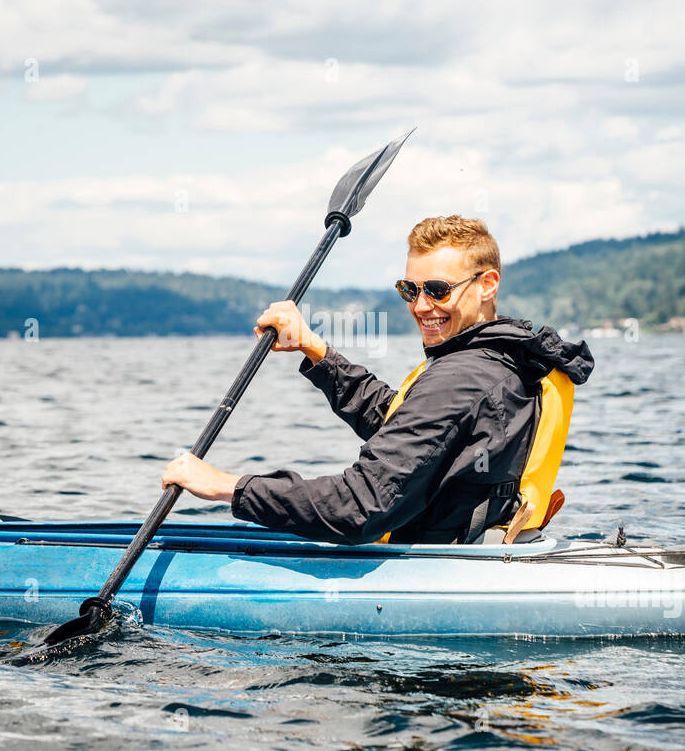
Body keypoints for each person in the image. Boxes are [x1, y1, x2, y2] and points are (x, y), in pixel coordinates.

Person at [162, 215, 594, 544]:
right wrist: (315, 350)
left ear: (487, 285)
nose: (422, 305)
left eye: (438, 290)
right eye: (411, 290)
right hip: (501, 549)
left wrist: (228, 486)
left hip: (444, 575)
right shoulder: (513, 356)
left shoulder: (463, 377)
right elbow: (406, 424)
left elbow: (360, 506)